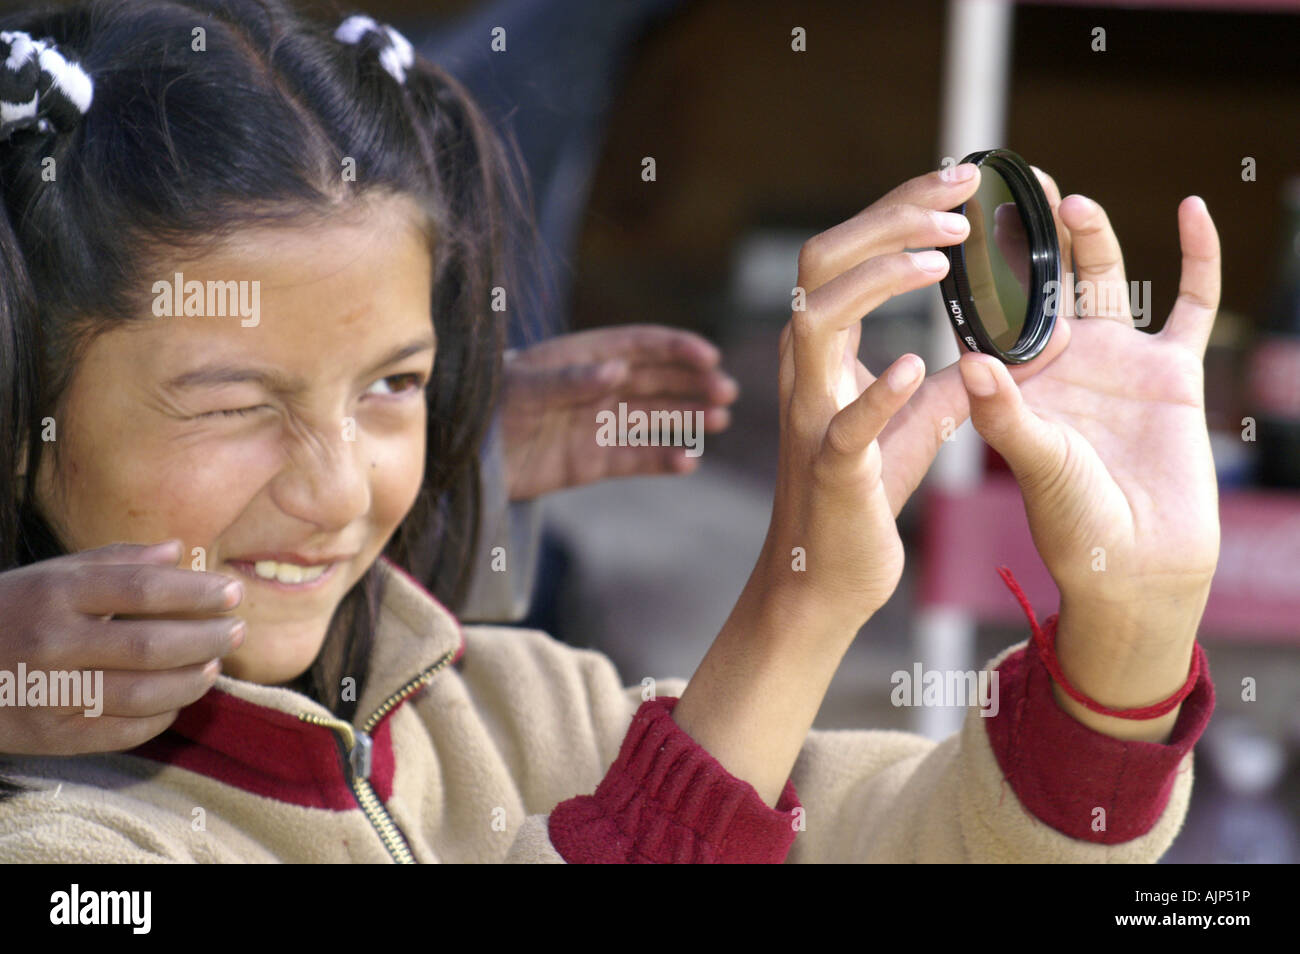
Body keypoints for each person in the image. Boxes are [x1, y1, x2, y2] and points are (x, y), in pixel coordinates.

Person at [0, 0, 1217, 863]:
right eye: (231, 405)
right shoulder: (64, 838)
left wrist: (1132, 618)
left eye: (393, 387)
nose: (330, 492)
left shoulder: (515, 712)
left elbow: (932, 844)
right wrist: (796, 606)